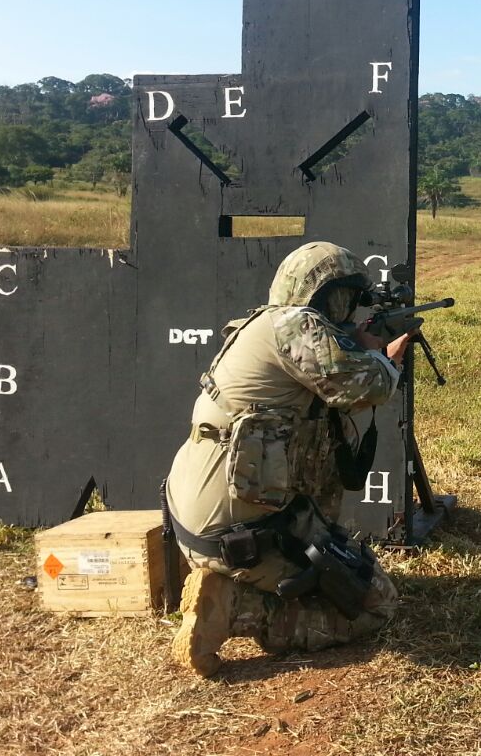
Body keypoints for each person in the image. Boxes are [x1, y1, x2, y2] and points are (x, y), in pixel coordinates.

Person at [164, 241, 417, 676]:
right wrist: (384, 358)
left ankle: (233, 581)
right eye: (348, 297)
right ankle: (236, 608)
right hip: (239, 532)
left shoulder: (262, 324)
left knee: (336, 571)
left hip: (199, 514)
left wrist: (354, 344)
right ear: (330, 294)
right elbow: (365, 387)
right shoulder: (296, 325)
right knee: (375, 604)